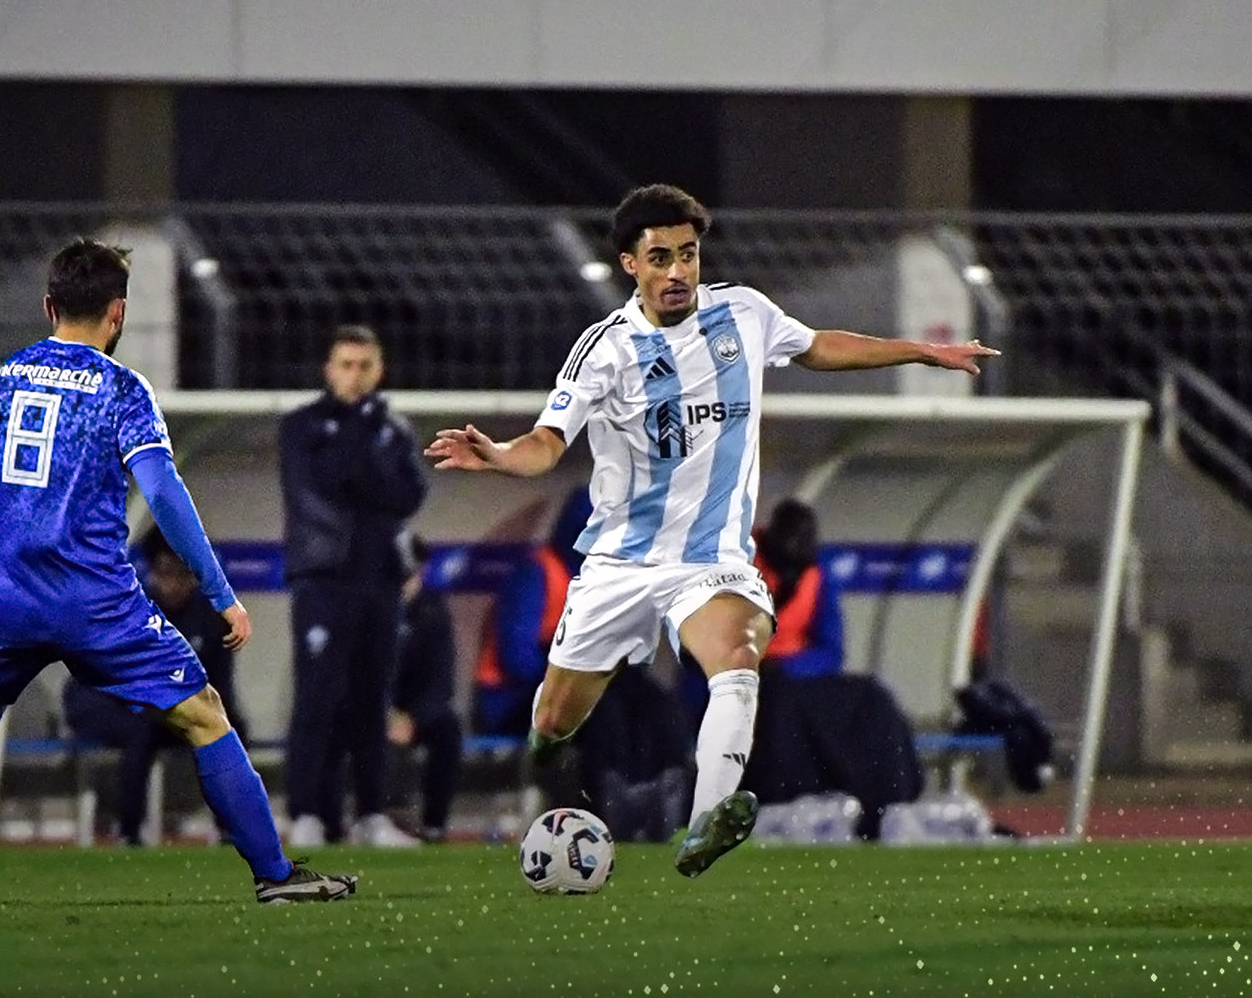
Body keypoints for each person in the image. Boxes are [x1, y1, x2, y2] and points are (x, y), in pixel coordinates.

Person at [424, 183, 999, 878]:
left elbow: (819, 346)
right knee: (554, 718)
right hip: (625, 562)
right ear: (631, 265)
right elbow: (549, 442)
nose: (678, 272)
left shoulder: (743, 313)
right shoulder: (603, 350)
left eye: (688, 255)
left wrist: (918, 352)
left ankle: (707, 821)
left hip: (712, 557)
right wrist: (501, 456)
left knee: (738, 651)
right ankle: (549, 753)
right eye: (660, 257)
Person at [0, 237, 355, 903]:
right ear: (118, 313)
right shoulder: (122, 389)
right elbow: (163, 495)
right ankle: (276, 878)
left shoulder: (5, 379)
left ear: (49, 307)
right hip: (96, 603)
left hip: (7, 594)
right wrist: (220, 594)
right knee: (205, 716)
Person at [279, 324, 427, 848]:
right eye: (346, 365)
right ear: (328, 369)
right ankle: (307, 814)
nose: (356, 376)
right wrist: (363, 447)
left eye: (365, 366)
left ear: (380, 369)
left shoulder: (394, 429)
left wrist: (365, 462)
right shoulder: (301, 427)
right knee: (317, 699)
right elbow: (325, 481)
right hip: (323, 579)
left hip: (381, 580)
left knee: (372, 701)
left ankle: (370, 813)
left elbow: (409, 493)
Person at [736, 498, 924, 840]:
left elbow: (831, 649)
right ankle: (774, 794)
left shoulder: (817, 575)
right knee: (777, 705)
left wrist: (789, 667)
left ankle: (882, 792)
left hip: (795, 678)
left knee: (871, 697)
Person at [61, 527, 252, 845]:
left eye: (183, 575)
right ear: (152, 572)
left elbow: (219, 686)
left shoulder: (209, 617)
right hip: (104, 699)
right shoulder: (128, 607)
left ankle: (231, 830)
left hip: (169, 706)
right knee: (140, 727)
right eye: (166, 573)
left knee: (226, 728)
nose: (174, 584)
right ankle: (129, 833)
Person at [472, 487, 593, 739]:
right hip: (506, 699)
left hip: (553, 691)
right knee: (599, 711)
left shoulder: (591, 579)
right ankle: (606, 779)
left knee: (646, 704)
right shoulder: (536, 573)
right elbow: (516, 656)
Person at [385, 534, 462, 842]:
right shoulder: (371, 607)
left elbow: (442, 678)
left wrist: (414, 717)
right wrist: (386, 715)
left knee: (448, 729)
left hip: (416, 713)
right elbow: (359, 674)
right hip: (375, 712)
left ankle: (434, 825)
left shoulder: (433, 610)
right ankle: (369, 819)